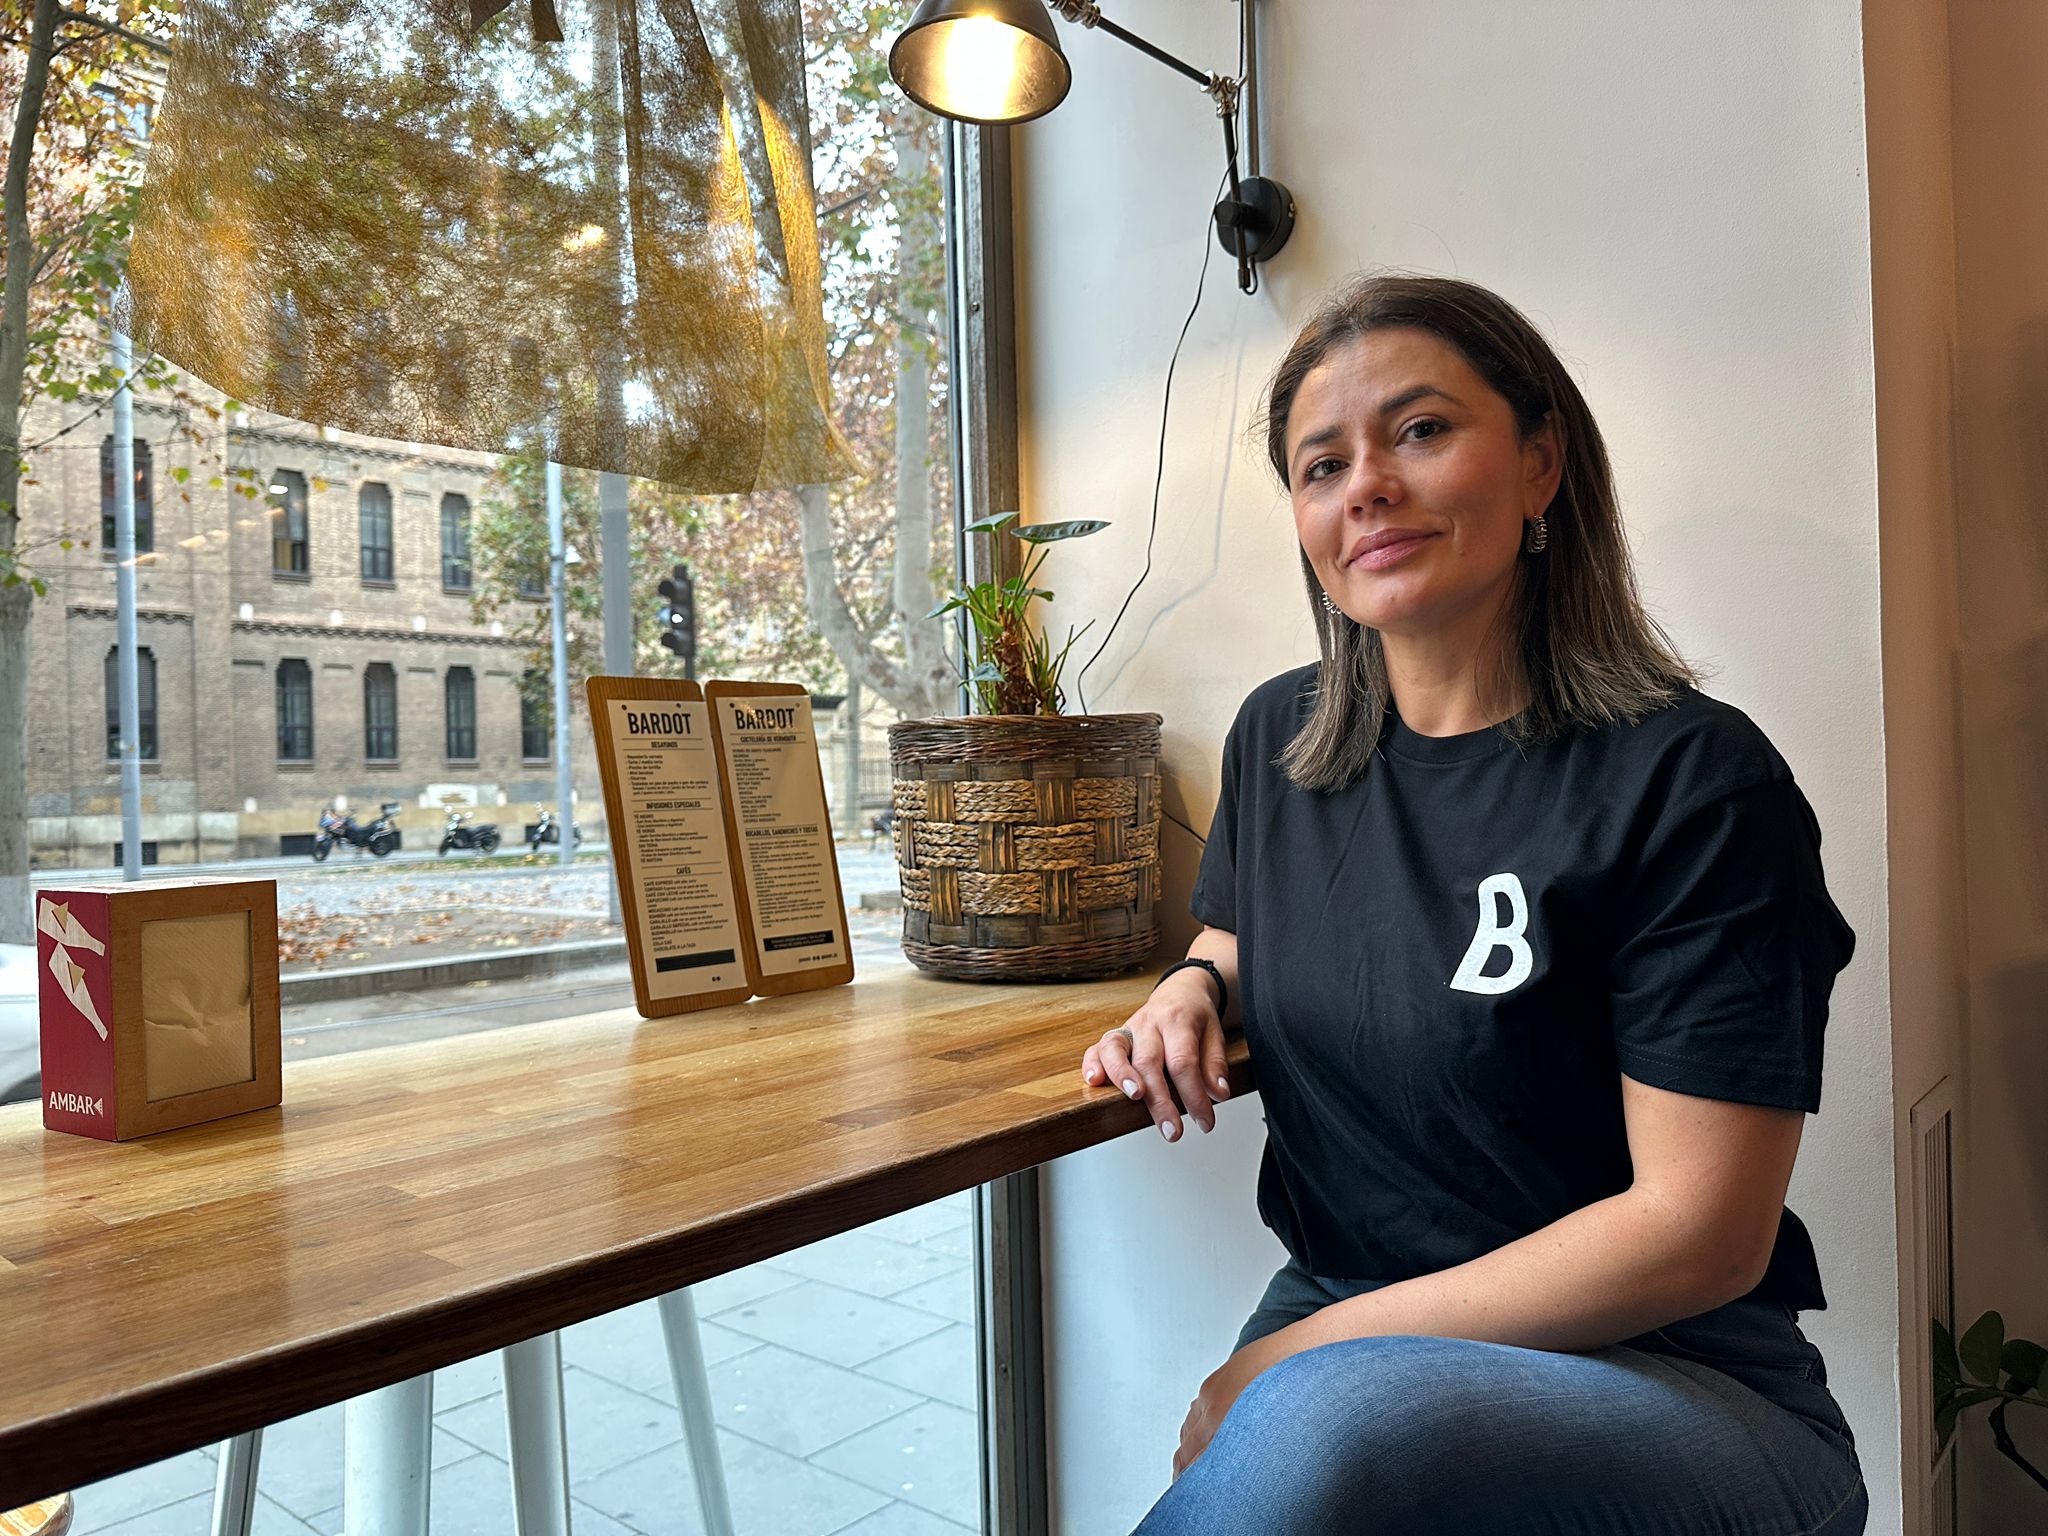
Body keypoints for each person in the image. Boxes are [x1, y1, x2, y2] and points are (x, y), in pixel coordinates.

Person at [1080, 273, 1868, 1534]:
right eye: (1319, 466)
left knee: (1317, 1432)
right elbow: (1240, 927)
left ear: (1541, 463)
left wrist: (1301, 1358)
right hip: (1346, 1320)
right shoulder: (1278, 738)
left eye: (1420, 431)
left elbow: (1698, 1234)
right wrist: (1190, 985)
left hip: (1672, 1370)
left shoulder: (1691, 780)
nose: (1365, 489)